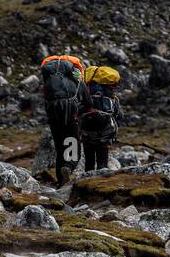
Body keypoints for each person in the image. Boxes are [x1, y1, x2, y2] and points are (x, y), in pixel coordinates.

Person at [40, 54, 88, 186]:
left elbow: (45, 103)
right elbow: (88, 103)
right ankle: (69, 167)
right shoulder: (77, 82)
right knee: (74, 148)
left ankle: (60, 182)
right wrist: (78, 111)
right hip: (71, 120)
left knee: (60, 149)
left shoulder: (49, 83)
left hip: (54, 121)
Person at [81, 64, 122, 171]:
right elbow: (119, 115)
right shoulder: (112, 97)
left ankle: (86, 180)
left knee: (89, 162)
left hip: (87, 134)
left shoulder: (85, 93)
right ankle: (100, 177)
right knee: (102, 162)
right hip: (104, 134)